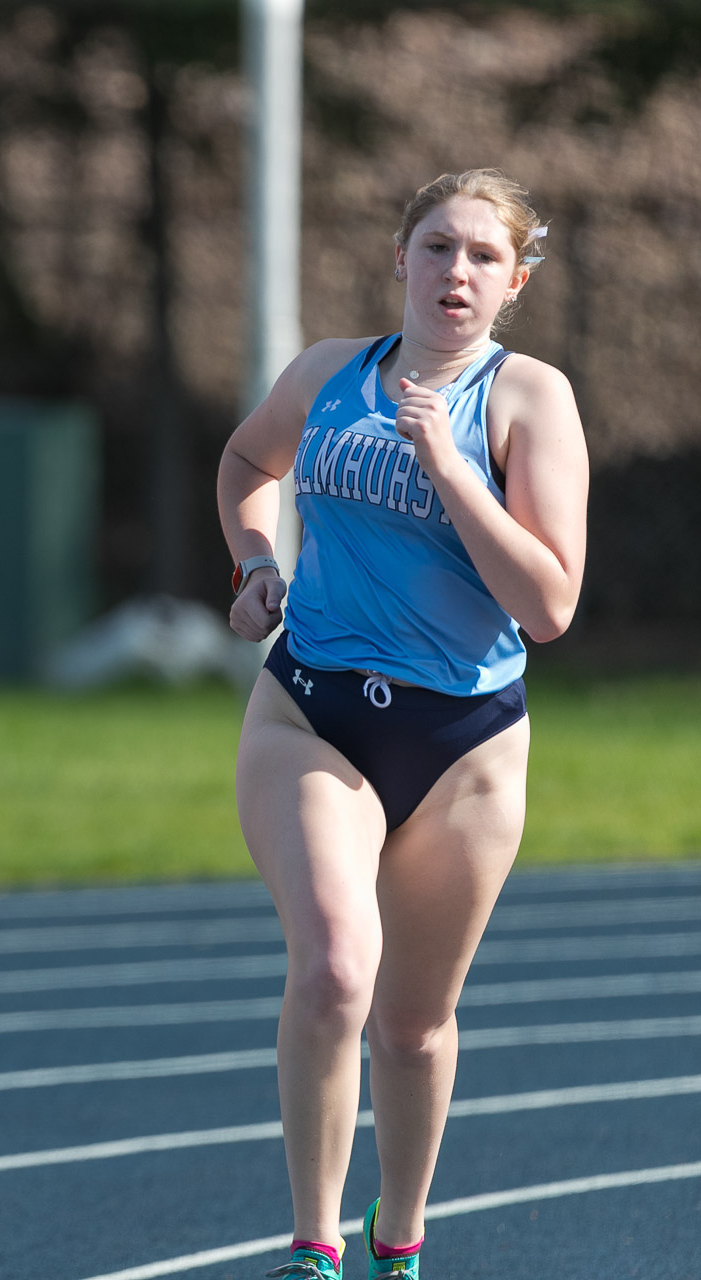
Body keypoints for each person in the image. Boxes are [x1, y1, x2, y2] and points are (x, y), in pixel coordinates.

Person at [217, 169, 586, 1280]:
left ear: (514, 280)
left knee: (413, 1024)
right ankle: (312, 1243)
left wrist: (452, 470)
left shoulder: (529, 399)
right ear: (401, 258)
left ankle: (398, 1234)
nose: (455, 272)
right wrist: (255, 564)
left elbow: (550, 604)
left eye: (482, 256)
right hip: (313, 708)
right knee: (333, 966)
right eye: (438, 247)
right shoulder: (332, 370)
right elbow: (246, 460)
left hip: (463, 740)